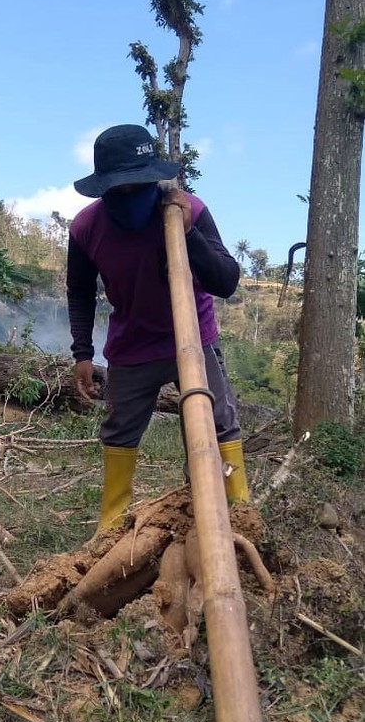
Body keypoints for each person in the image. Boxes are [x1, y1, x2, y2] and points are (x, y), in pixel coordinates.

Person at [66, 123, 248, 533]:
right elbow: (79, 291)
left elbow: (226, 280)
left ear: (154, 180)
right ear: (103, 189)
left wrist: (188, 235)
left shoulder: (189, 210)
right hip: (132, 344)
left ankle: (236, 514)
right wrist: (82, 353)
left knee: (217, 422)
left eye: (139, 187)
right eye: (120, 191)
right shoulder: (85, 229)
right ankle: (111, 525)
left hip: (194, 337)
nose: (131, 199)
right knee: (119, 430)